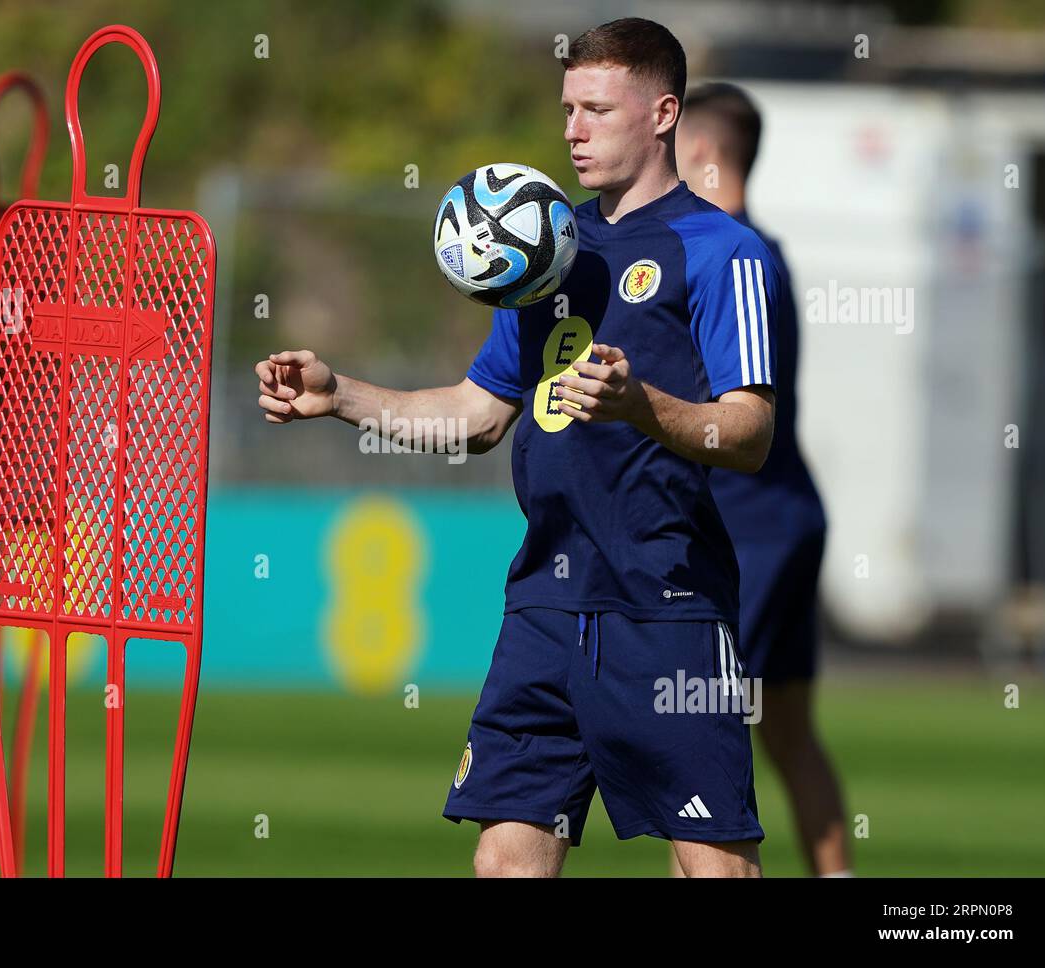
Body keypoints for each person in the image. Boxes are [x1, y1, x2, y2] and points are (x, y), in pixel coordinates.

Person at [254, 18, 779, 877]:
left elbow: (749, 433)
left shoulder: (721, 252)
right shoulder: (545, 248)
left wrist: (640, 407)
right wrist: (339, 395)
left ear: (662, 113)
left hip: (664, 606)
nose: (572, 129)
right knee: (505, 861)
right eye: (567, 107)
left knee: (716, 868)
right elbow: (477, 413)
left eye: (597, 109)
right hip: (542, 605)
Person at [676, 81, 851, 876]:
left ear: (704, 154)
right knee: (786, 731)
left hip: (748, 527)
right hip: (790, 514)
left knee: (698, 738)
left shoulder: (729, 256)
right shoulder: (767, 251)